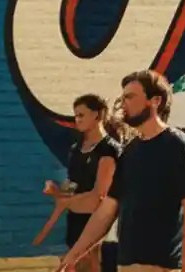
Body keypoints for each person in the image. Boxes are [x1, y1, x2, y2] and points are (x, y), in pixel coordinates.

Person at [59, 71, 185, 272]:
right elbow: (107, 210)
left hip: (162, 267)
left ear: (155, 101)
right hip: (126, 266)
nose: (123, 103)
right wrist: (73, 255)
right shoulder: (130, 151)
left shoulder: (178, 146)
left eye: (130, 96)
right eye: (123, 96)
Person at [40, 94, 124, 272]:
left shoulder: (108, 150)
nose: (77, 120)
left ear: (98, 115)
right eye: (75, 115)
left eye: (81, 115)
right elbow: (73, 186)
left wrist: (69, 202)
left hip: (99, 229)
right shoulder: (76, 149)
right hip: (76, 225)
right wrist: (58, 191)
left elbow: (100, 196)